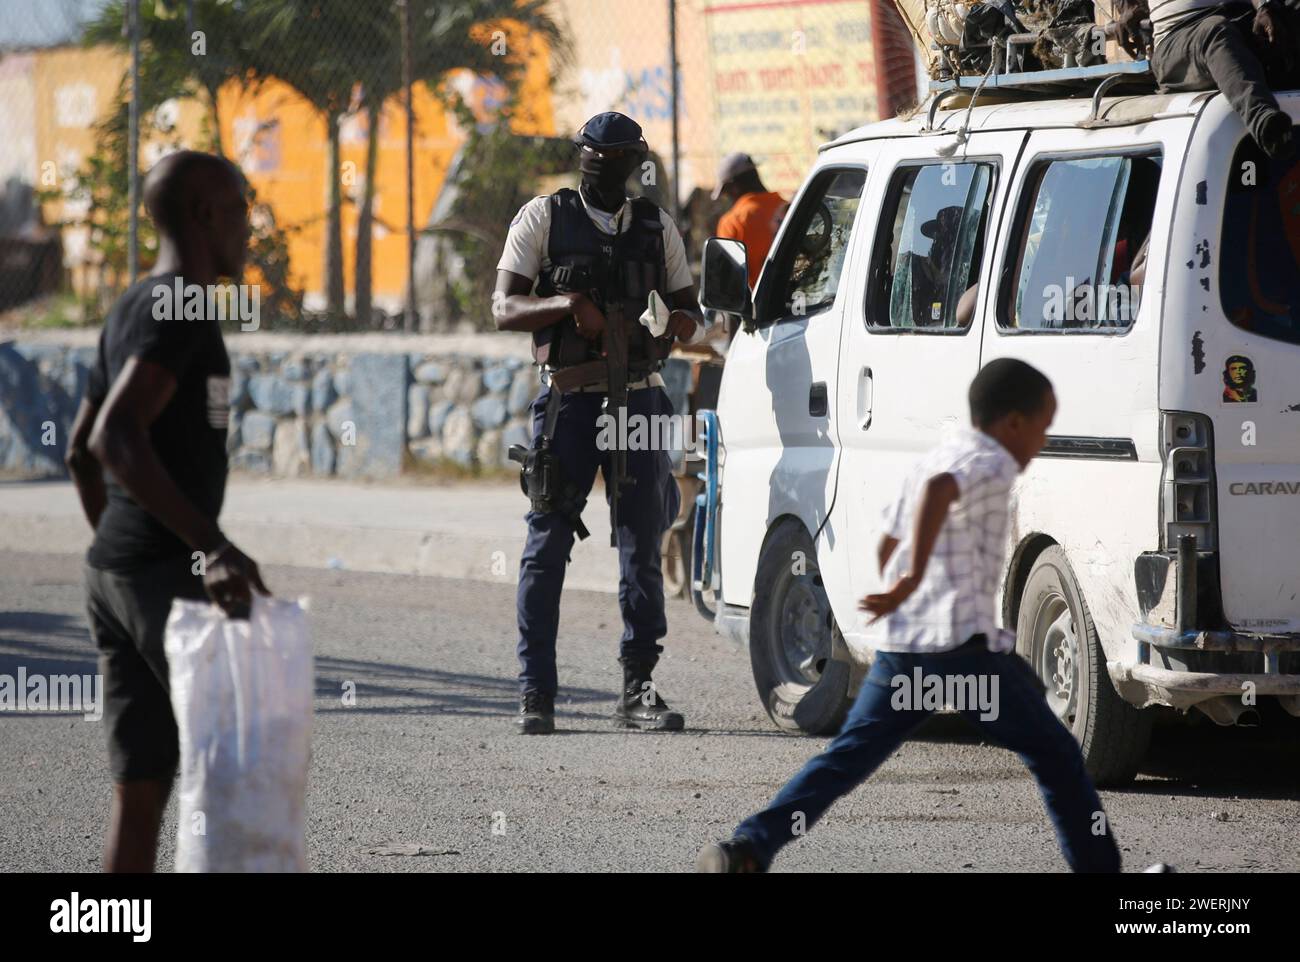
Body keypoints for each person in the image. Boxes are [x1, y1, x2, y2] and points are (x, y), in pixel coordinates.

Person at [697, 359, 1125, 873]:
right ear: (1012, 422)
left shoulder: (945, 450)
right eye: (1041, 425)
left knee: (848, 757)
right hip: (959, 653)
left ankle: (749, 848)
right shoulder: (986, 460)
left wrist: (898, 576)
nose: (1042, 439)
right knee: (1055, 753)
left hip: (908, 652)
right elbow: (938, 493)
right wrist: (909, 579)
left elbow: (897, 527)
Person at [64, 150, 268, 872]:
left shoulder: (132, 303)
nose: (250, 227)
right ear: (205, 215)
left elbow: (79, 454)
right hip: (158, 575)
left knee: (143, 786)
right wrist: (206, 546)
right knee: (236, 771)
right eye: (242, 210)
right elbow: (112, 437)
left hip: (117, 570)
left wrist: (122, 555)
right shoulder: (178, 311)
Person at [493, 112, 707, 735]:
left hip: (639, 400)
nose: (606, 169)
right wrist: (567, 304)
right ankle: (536, 693)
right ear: (582, 159)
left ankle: (637, 689)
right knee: (548, 545)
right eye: (596, 157)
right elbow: (505, 307)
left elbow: (690, 314)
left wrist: (672, 324)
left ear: (634, 162)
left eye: (619, 158)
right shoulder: (542, 217)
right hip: (570, 403)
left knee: (643, 545)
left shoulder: (654, 225)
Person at [1117, 0, 1300, 158]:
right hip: (1179, 37)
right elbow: (1130, 10)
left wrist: (1265, 7)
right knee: (1215, 30)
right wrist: (1128, 9)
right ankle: (1265, 122)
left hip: (1237, 21)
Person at [713, 153, 787, 289]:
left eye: (726, 193)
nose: (728, 198)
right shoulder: (789, 208)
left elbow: (729, 281)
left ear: (734, 187)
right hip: (802, 301)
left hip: (756, 307)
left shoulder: (732, 222)